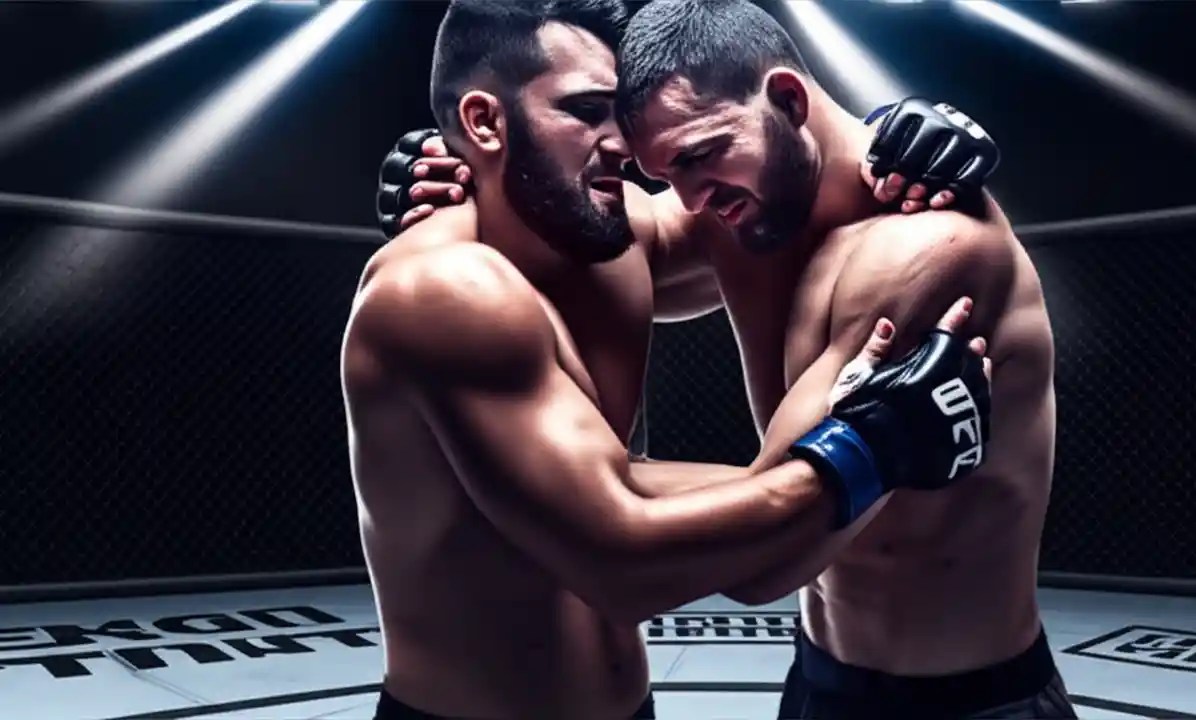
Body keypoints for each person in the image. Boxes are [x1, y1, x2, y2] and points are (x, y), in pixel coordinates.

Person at [383, 1, 1068, 717]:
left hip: (971, 700)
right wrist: (465, 171)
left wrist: (606, 511)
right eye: (665, 174)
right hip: (819, 677)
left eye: (698, 156)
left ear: (789, 100)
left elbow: (767, 557)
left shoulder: (930, 249)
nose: (688, 200)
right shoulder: (734, 210)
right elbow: (570, 236)